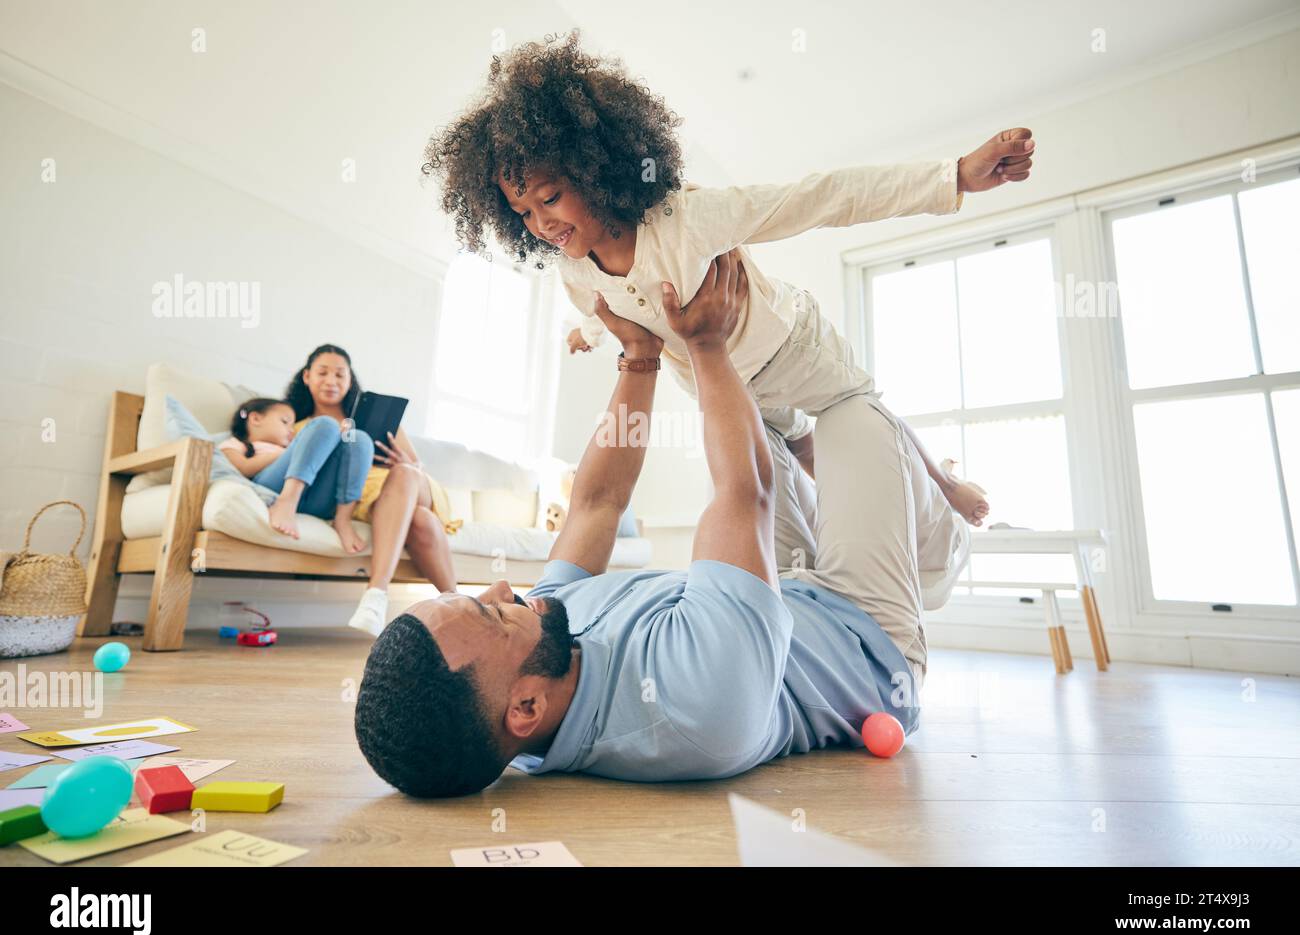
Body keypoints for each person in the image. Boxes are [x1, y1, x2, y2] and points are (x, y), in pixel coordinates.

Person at [354, 251, 969, 798]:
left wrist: (639, 358)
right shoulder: (691, 708)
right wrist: (706, 346)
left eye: (477, 597)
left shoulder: (537, 647)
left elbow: (597, 501)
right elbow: (743, 492)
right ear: (525, 707)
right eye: (490, 612)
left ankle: (885, 511)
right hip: (864, 636)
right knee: (850, 411)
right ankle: (941, 557)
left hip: (783, 595)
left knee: (771, 422)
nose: (498, 590)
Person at [421, 32, 1034, 527]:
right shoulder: (572, 269)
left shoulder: (686, 218)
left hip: (791, 346)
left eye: (551, 196)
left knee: (868, 421)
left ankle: (945, 482)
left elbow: (819, 198)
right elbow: (606, 307)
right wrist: (587, 333)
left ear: (594, 167)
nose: (541, 222)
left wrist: (953, 175)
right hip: (724, 388)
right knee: (803, 460)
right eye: (523, 212)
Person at [285, 344, 460, 635]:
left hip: (415, 485)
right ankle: (459, 609)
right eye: (323, 373)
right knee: (421, 521)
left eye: (340, 375)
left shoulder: (379, 420)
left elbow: (418, 467)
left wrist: (408, 463)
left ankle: (376, 593)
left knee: (404, 473)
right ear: (306, 377)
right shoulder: (301, 426)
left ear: (350, 381)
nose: (331, 381)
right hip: (373, 501)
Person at [220, 397, 375, 547]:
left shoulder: (294, 448)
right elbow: (243, 468)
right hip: (275, 489)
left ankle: (343, 518)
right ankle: (287, 502)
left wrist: (331, 443)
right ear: (255, 419)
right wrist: (290, 451)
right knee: (326, 423)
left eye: (293, 426)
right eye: (285, 422)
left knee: (359, 439)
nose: (291, 430)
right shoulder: (238, 444)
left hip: (315, 499)